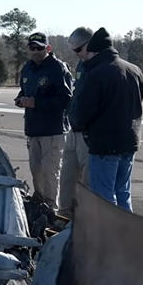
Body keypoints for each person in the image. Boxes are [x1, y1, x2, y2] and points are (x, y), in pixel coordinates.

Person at [70, 27, 143, 212]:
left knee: (104, 200)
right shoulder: (134, 71)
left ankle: (109, 238)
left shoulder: (96, 74)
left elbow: (82, 114)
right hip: (129, 142)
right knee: (123, 194)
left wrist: (77, 123)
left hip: (104, 146)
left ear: (95, 51)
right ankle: (127, 237)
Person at [15, 32, 73, 211]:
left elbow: (66, 100)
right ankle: (40, 204)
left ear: (48, 48)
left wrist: (36, 103)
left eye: (39, 48)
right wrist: (20, 100)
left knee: (49, 171)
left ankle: (51, 208)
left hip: (52, 130)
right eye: (31, 48)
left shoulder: (57, 68)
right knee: (36, 171)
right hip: (33, 129)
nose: (34, 51)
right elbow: (23, 91)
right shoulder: (27, 68)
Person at [57, 26, 93, 218]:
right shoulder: (81, 66)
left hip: (88, 133)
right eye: (74, 51)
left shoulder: (99, 66)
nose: (76, 54)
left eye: (79, 50)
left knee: (87, 182)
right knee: (67, 177)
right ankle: (64, 216)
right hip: (73, 129)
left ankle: (83, 220)